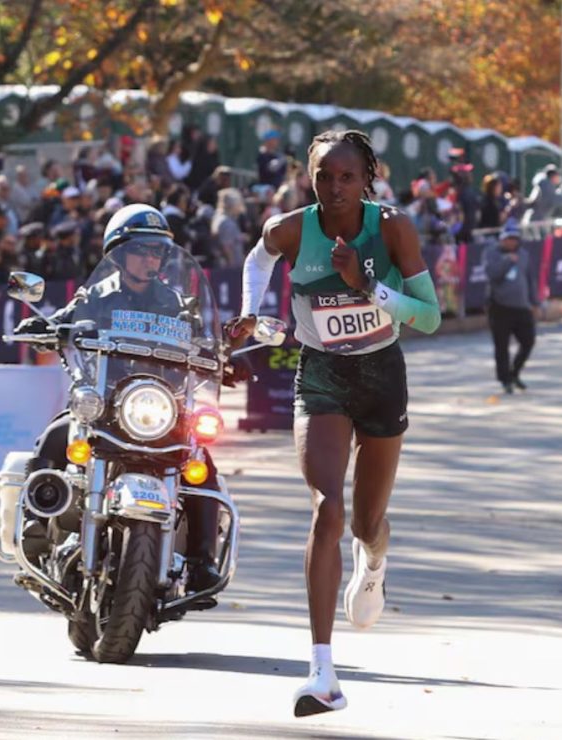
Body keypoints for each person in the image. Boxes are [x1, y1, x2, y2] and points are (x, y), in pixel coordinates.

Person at [224, 129, 441, 717]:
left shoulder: (392, 227)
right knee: (328, 508)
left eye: (347, 177)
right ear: (309, 178)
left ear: (365, 178)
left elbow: (429, 317)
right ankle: (322, 673)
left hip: (381, 376)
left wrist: (366, 286)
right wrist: (250, 312)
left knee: (367, 522)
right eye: (323, 176)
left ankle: (373, 563)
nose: (335, 188)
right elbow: (258, 255)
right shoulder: (294, 227)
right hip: (320, 374)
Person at [14, 204, 224, 592]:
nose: (150, 258)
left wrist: (223, 358)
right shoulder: (95, 296)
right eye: (141, 250)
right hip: (107, 404)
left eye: (157, 252)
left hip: (160, 407)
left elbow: (206, 343)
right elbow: (64, 320)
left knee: (202, 466)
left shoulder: (178, 305)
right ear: (118, 254)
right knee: (57, 435)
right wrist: (45, 326)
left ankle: (202, 560)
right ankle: (35, 523)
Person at [483, 222, 538, 393]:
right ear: (502, 239)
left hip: (521, 307)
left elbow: (529, 279)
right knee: (502, 346)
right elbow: (492, 275)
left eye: (515, 239)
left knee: (528, 341)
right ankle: (505, 379)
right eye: (508, 239)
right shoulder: (492, 253)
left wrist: (534, 301)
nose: (512, 242)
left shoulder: (524, 254)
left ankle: (515, 372)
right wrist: (507, 261)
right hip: (500, 307)